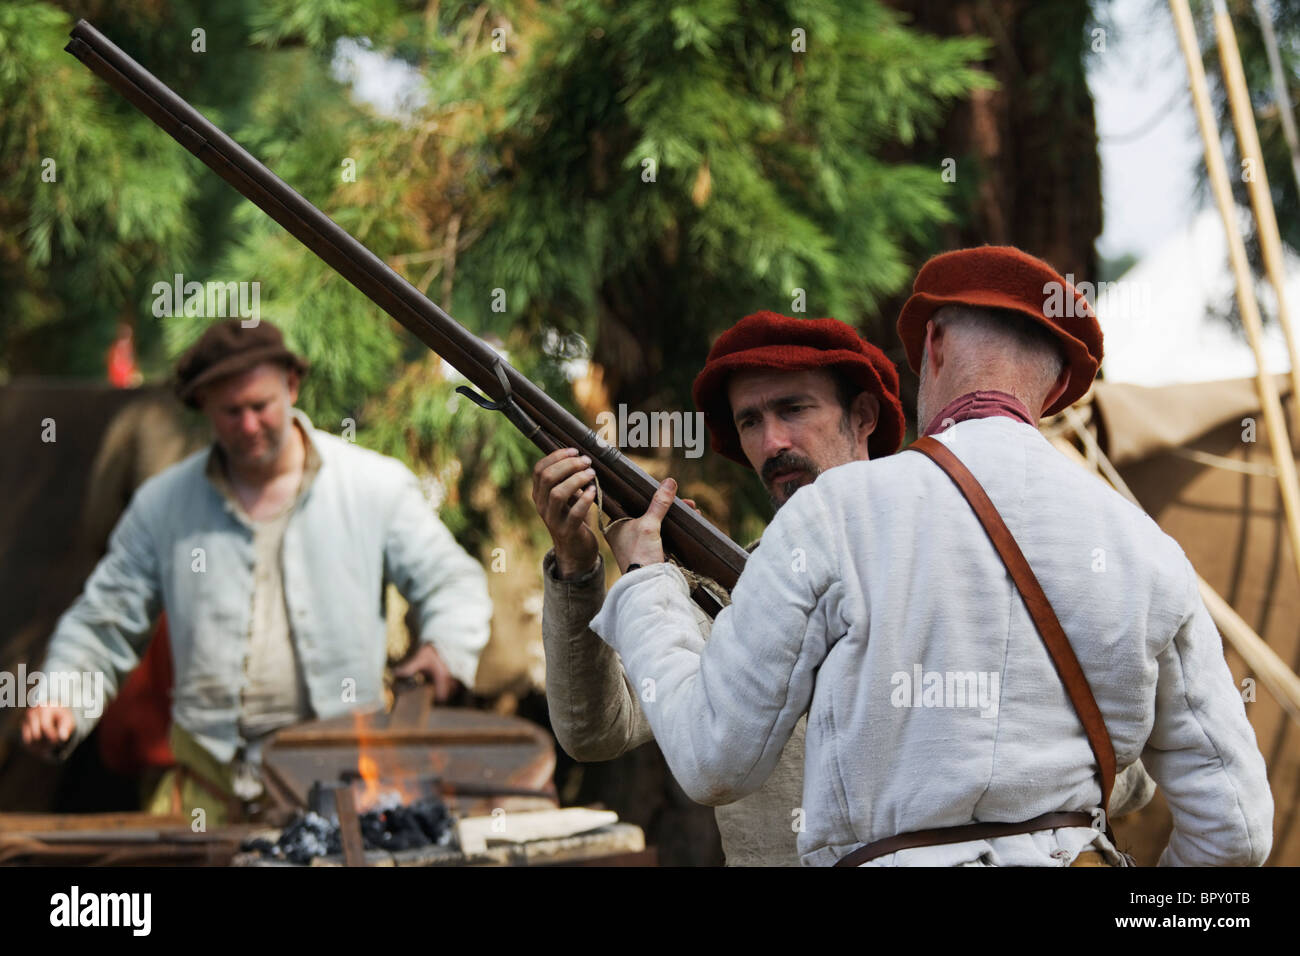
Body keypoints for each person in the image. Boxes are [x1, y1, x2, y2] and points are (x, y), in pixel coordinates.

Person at [586, 247, 1274, 866]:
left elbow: (713, 759)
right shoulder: (1147, 550)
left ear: (934, 347)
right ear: (1056, 383)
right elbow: (1238, 830)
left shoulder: (832, 514)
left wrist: (648, 581)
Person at [22, 319, 493, 822]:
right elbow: (105, 620)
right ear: (202, 406)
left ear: (291, 386)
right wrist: (63, 696)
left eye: (260, 406)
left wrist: (442, 651)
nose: (248, 426)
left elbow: (452, 583)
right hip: (208, 794)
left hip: (343, 787)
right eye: (230, 412)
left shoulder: (371, 487)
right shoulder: (163, 506)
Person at [535, 311, 905, 865]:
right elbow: (597, 731)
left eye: (793, 409)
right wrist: (578, 568)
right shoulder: (736, 588)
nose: (772, 441)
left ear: (863, 415)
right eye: (750, 420)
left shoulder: (930, 555)